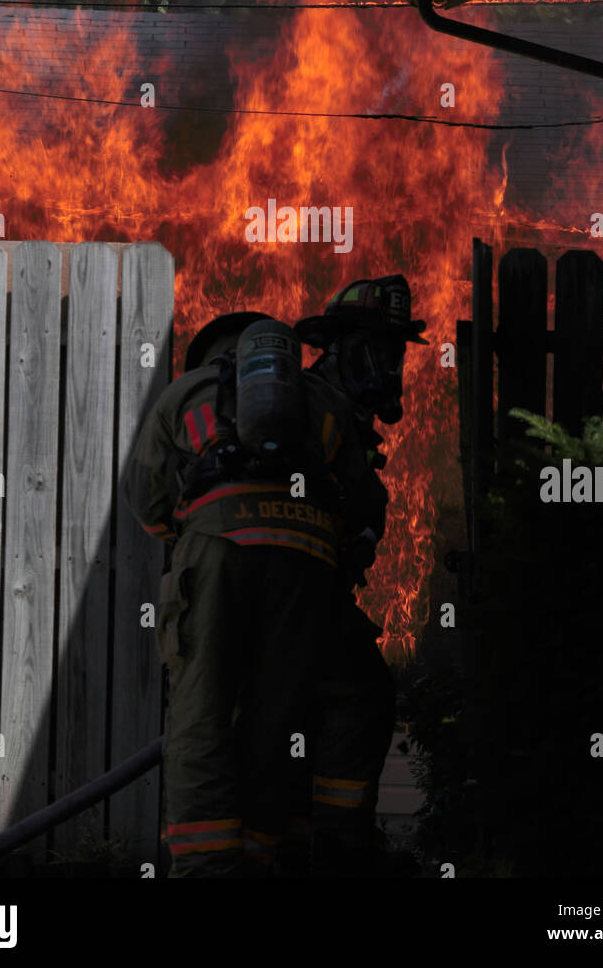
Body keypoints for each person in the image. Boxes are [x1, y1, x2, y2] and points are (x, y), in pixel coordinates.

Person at [123, 309, 371, 877]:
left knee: (202, 714)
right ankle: (262, 858)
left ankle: (208, 867)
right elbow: (361, 504)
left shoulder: (185, 392)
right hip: (305, 559)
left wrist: (195, 536)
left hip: (217, 546)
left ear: (215, 352)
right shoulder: (321, 399)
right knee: (278, 717)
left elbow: (146, 500)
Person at [295, 274, 427, 877]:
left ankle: (314, 843)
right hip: (291, 594)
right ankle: (340, 846)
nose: (390, 367)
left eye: (395, 353)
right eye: (379, 351)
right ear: (341, 348)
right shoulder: (315, 405)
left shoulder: (333, 409)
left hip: (291, 595)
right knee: (365, 692)